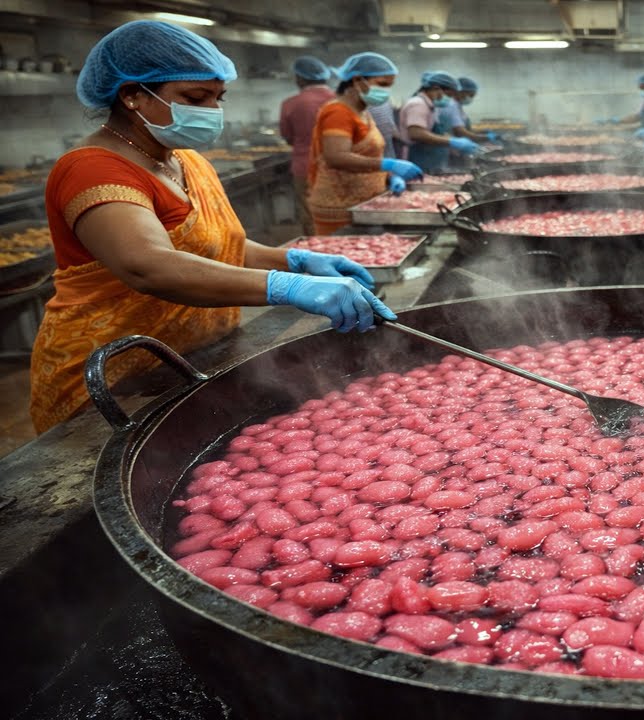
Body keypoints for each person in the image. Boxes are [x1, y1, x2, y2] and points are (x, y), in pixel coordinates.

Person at [31, 21, 394, 432]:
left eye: (217, 98)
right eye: (194, 97)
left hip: (186, 358)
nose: (210, 111)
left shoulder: (183, 159)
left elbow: (218, 245)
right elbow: (146, 265)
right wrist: (285, 287)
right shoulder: (91, 168)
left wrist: (298, 261)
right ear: (132, 94)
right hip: (117, 377)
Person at [308, 52, 423, 234]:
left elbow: (366, 155)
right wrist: (388, 163)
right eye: (382, 84)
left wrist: (389, 176)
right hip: (340, 208)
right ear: (357, 81)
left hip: (363, 205)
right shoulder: (338, 112)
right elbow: (335, 157)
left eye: (389, 86)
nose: (386, 91)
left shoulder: (362, 112)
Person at [279, 56, 335, 235]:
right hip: (341, 166)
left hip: (306, 167)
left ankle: (317, 255)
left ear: (301, 78)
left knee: (311, 214)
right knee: (340, 211)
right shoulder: (341, 100)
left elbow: (288, 138)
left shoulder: (291, 104)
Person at [399, 71, 480, 172]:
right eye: (449, 95)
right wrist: (452, 142)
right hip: (418, 156)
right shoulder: (418, 104)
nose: (449, 99)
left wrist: (452, 141)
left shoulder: (430, 106)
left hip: (429, 158)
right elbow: (416, 133)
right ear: (436, 88)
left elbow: (435, 131)